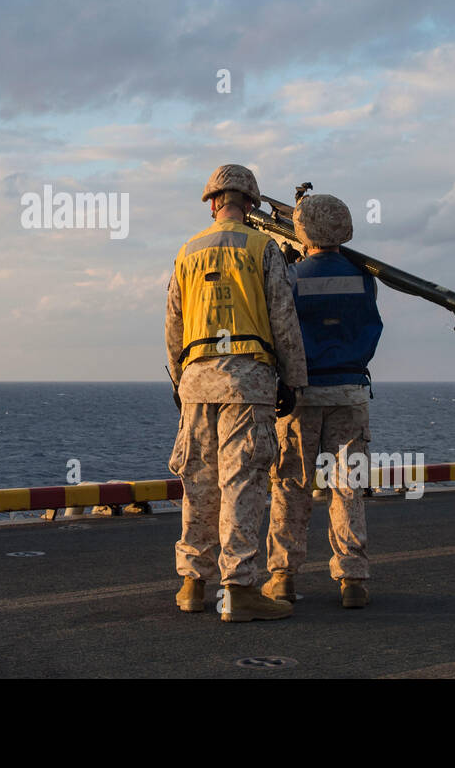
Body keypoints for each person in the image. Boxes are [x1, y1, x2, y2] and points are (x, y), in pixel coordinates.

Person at [166, 164, 308, 622]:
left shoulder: (186, 251)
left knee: (198, 483)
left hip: (196, 382)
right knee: (242, 483)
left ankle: (192, 584)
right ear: (250, 204)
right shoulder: (262, 247)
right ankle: (240, 590)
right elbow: (284, 318)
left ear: (213, 203)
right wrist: (294, 381)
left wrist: (178, 381)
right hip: (247, 383)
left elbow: (173, 325)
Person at [264, 193, 382, 609]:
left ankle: (282, 577)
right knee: (348, 486)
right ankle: (353, 580)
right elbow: (370, 327)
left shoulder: (292, 276)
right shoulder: (364, 276)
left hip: (302, 394)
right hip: (350, 392)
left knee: (290, 484)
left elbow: (281, 331)